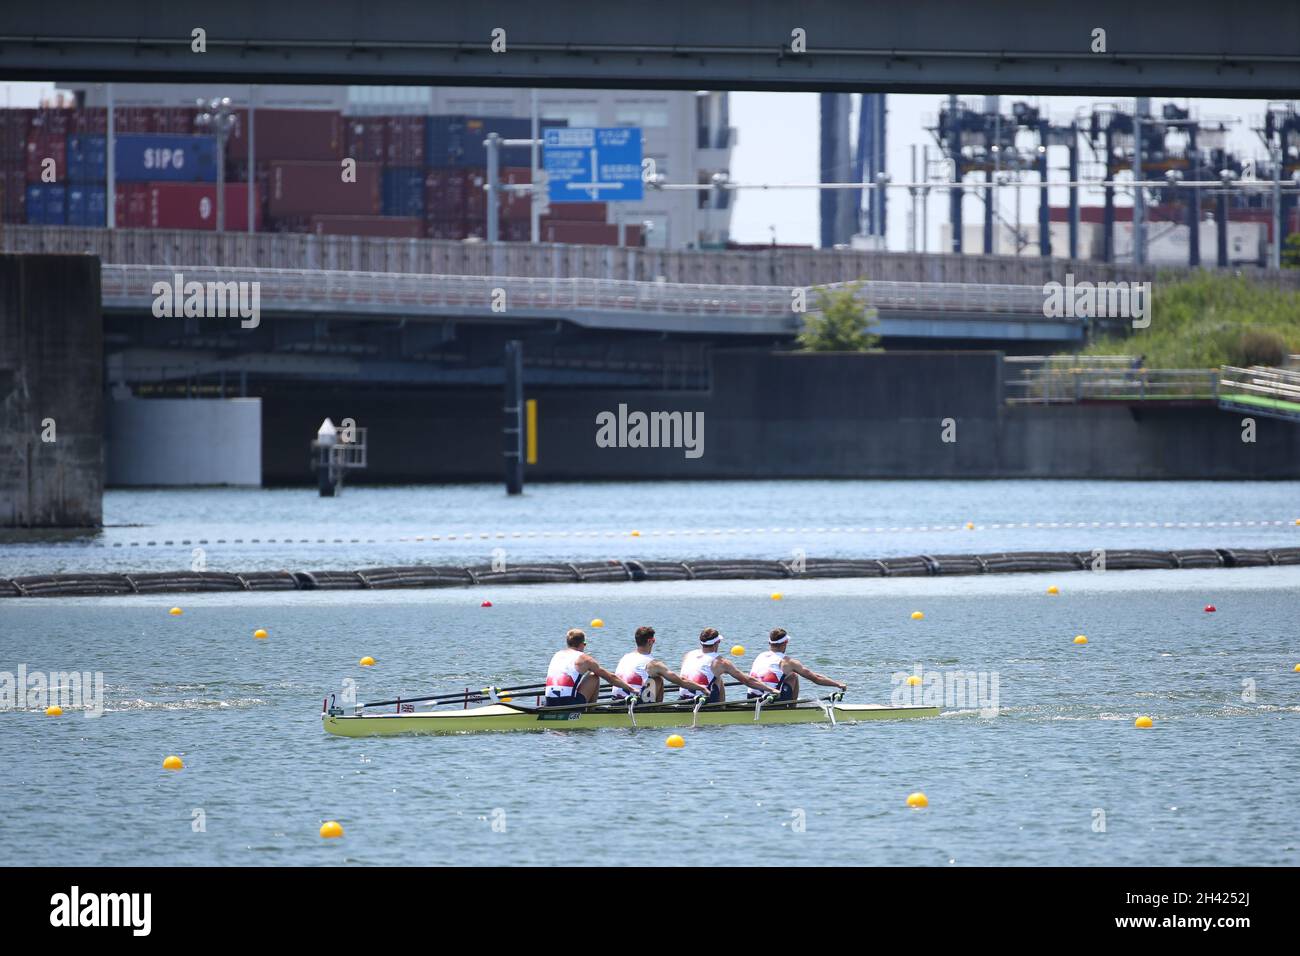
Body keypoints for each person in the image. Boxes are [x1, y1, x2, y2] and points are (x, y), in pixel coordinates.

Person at [611, 626, 708, 703]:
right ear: (650, 641)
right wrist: (701, 688)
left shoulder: (625, 657)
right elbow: (680, 681)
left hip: (616, 701)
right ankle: (656, 710)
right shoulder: (654, 664)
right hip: (634, 703)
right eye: (653, 640)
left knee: (651, 679)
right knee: (657, 679)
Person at [748, 628, 847, 701]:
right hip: (770, 700)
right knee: (793, 676)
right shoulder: (788, 662)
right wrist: (837, 684)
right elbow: (815, 678)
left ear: (769, 643)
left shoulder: (760, 656)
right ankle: (791, 708)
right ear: (785, 642)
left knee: (783, 676)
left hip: (751, 699)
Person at [544, 628, 637, 707]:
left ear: (568, 643)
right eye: (585, 644)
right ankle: (590, 711)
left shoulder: (557, 655)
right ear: (582, 644)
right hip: (568, 704)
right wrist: (631, 689)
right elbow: (610, 678)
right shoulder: (584, 659)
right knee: (594, 676)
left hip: (549, 703)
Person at [678, 627, 773, 703]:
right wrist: (772, 690)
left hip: (683, 699)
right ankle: (721, 709)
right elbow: (747, 681)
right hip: (702, 701)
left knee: (716, 677)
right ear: (717, 643)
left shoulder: (688, 655)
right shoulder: (720, 662)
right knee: (718, 679)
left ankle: (721, 707)